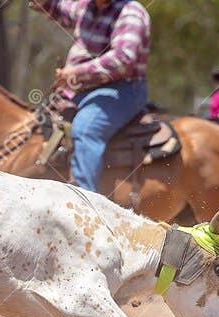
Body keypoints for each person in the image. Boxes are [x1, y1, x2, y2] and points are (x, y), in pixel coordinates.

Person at [31, 0, 151, 193]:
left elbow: (123, 59)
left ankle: (85, 200)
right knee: (40, 123)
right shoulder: (85, 7)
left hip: (123, 90)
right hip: (82, 91)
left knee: (86, 129)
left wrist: (75, 73)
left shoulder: (131, 12)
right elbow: (58, 7)